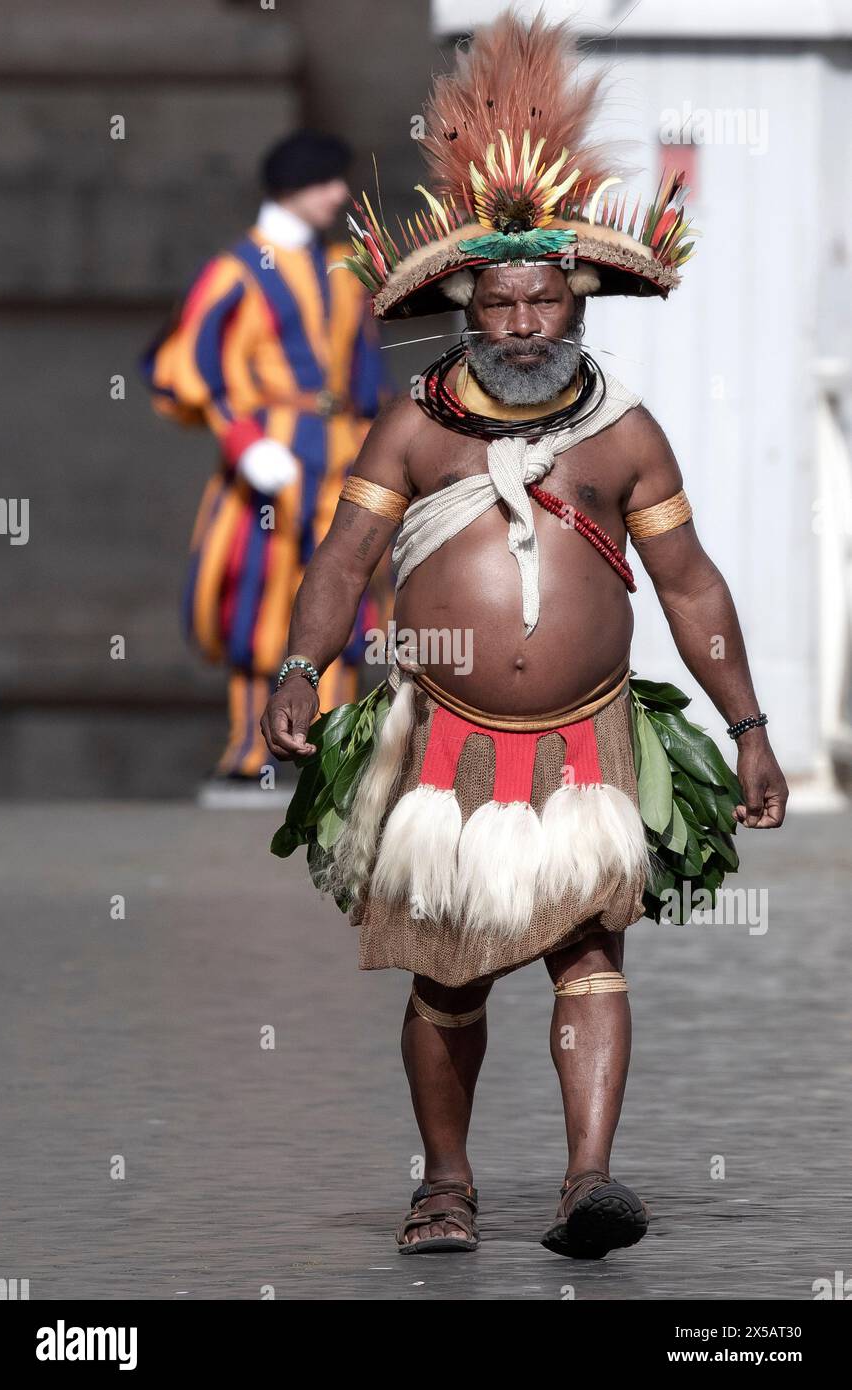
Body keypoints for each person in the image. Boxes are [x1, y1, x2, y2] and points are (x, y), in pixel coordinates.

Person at [261, 13, 788, 1258]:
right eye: (495, 301)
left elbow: (689, 586)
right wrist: (298, 667)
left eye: (542, 297)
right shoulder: (414, 429)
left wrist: (749, 729)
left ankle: (584, 1181)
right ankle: (443, 1184)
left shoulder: (624, 434)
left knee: (588, 950)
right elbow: (340, 559)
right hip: (445, 734)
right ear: (465, 303)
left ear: (578, 299)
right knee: (447, 969)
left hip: (590, 734)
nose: (518, 322)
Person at [141, 130, 388, 786]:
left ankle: (337, 745)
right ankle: (253, 752)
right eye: (329, 181)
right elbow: (189, 365)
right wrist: (244, 443)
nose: (340, 194)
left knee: (349, 596)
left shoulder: (344, 268)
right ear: (296, 185)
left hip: (342, 460)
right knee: (258, 598)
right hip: (272, 464)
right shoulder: (234, 272)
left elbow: (367, 374)